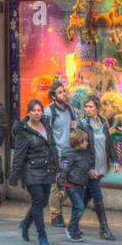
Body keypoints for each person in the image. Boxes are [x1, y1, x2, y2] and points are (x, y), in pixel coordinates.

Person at [10, 99, 58, 245]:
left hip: (47, 169)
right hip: (31, 171)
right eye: (34, 110)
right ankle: (41, 234)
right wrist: (14, 177)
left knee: (43, 202)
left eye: (39, 110)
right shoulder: (23, 131)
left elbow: (52, 148)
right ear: (29, 112)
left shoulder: (46, 125)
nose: (37, 113)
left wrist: (57, 168)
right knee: (38, 202)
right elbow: (18, 155)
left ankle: (25, 224)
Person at [76, 95, 118, 239]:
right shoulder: (82, 125)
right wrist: (88, 169)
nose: (88, 109)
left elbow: (109, 144)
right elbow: (80, 149)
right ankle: (103, 229)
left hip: (100, 166)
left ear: (97, 108)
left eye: (91, 107)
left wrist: (116, 161)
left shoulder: (103, 122)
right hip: (90, 168)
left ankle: (73, 225)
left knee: (87, 195)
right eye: (86, 107)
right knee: (97, 194)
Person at [45, 79, 76, 226]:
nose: (64, 94)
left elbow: (73, 128)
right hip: (56, 153)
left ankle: (53, 203)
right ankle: (56, 215)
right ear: (53, 96)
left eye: (64, 91)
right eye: (60, 92)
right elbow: (45, 132)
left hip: (69, 153)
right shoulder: (49, 111)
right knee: (56, 186)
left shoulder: (69, 109)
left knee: (70, 184)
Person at [59, 129, 95, 241]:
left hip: (80, 184)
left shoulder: (83, 153)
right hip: (71, 185)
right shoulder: (69, 155)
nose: (87, 143)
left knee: (77, 208)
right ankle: (70, 229)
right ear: (79, 142)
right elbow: (63, 171)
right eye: (85, 141)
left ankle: (75, 227)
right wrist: (60, 186)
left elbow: (84, 165)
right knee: (79, 207)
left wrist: (90, 171)